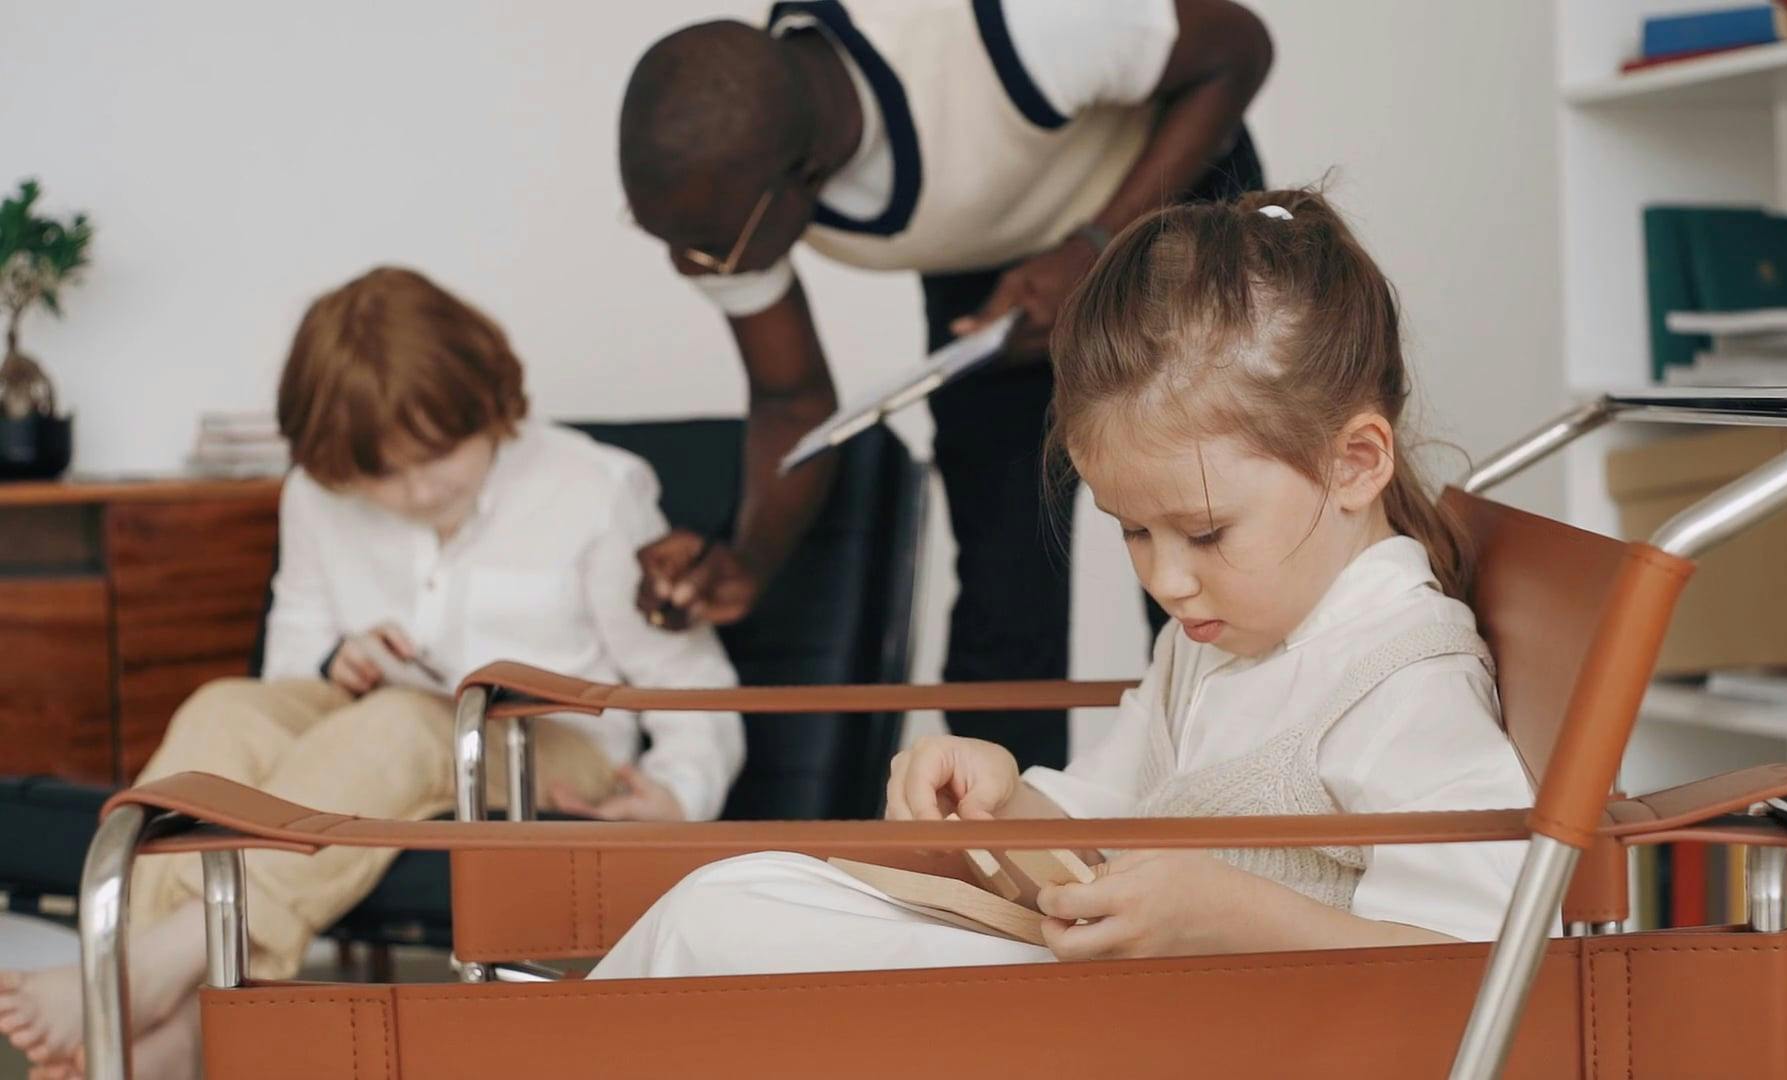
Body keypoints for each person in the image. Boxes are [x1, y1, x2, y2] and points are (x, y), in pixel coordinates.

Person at [587, 188, 1535, 979]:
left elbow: (1481, 968)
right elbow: (1098, 826)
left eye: (1206, 532)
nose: (1167, 580)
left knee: (718, 932)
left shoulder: (1405, 681)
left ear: (1355, 462)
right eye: (1133, 530)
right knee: (737, 893)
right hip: (1124, 1001)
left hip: (1211, 1035)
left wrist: (1234, 919)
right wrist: (1001, 800)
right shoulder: (1222, 635)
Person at [0, 267, 744, 1079]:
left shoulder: (595, 490)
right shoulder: (317, 495)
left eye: (438, 456)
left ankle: (134, 976)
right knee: (225, 710)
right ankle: (178, 1032)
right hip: (369, 745)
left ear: (489, 402)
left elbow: (690, 682)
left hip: (550, 756)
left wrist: (677, 798)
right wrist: (337, 662)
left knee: (409, 721)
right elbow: (289, 671)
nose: (417, 491)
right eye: (382, 475)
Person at [620, 0, 1272, 770]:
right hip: (993, 265)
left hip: (1166, 210)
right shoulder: (722, 199)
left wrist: (1096, 246)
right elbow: (790, 400)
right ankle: (1011, 832)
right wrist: (750, 558)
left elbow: (1239, 47)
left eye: (709, 249)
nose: (697, 267)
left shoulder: (1008, 31)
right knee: (1001, 596)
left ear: (804, 177)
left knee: (1206, 547)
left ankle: (1238, 805)